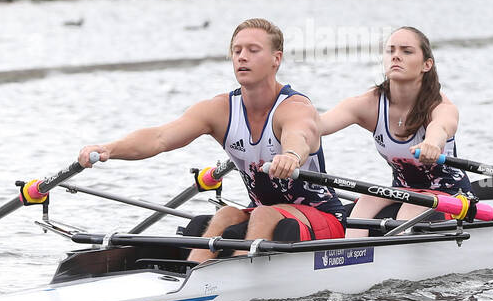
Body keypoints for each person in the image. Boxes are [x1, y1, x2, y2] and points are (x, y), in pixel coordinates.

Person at [77, 18, 346, 262]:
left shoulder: (295, 107)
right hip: (267, 214)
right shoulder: (220, 110)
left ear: (276, 59)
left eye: (253, 50)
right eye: (237, 50)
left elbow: (299, 135)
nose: (242, 57)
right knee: (226, 214)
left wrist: (291, 157)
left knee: (263, 213)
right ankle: (191, 274)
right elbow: (159, 138)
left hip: (324, 219)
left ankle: (239, 277)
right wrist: (109, 149)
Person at [318, 27, 469, 239]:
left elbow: (441, 127)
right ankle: (348, 256)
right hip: (402, 192)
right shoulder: (369, 104)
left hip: (450, 196)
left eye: (407, 51)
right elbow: (318, 126)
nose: (396, 56)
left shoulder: (441, 105)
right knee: (366, 200)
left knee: (410, 208)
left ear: (427, 65)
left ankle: (391, 259)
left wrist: (432, 144)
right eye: (390, 51)